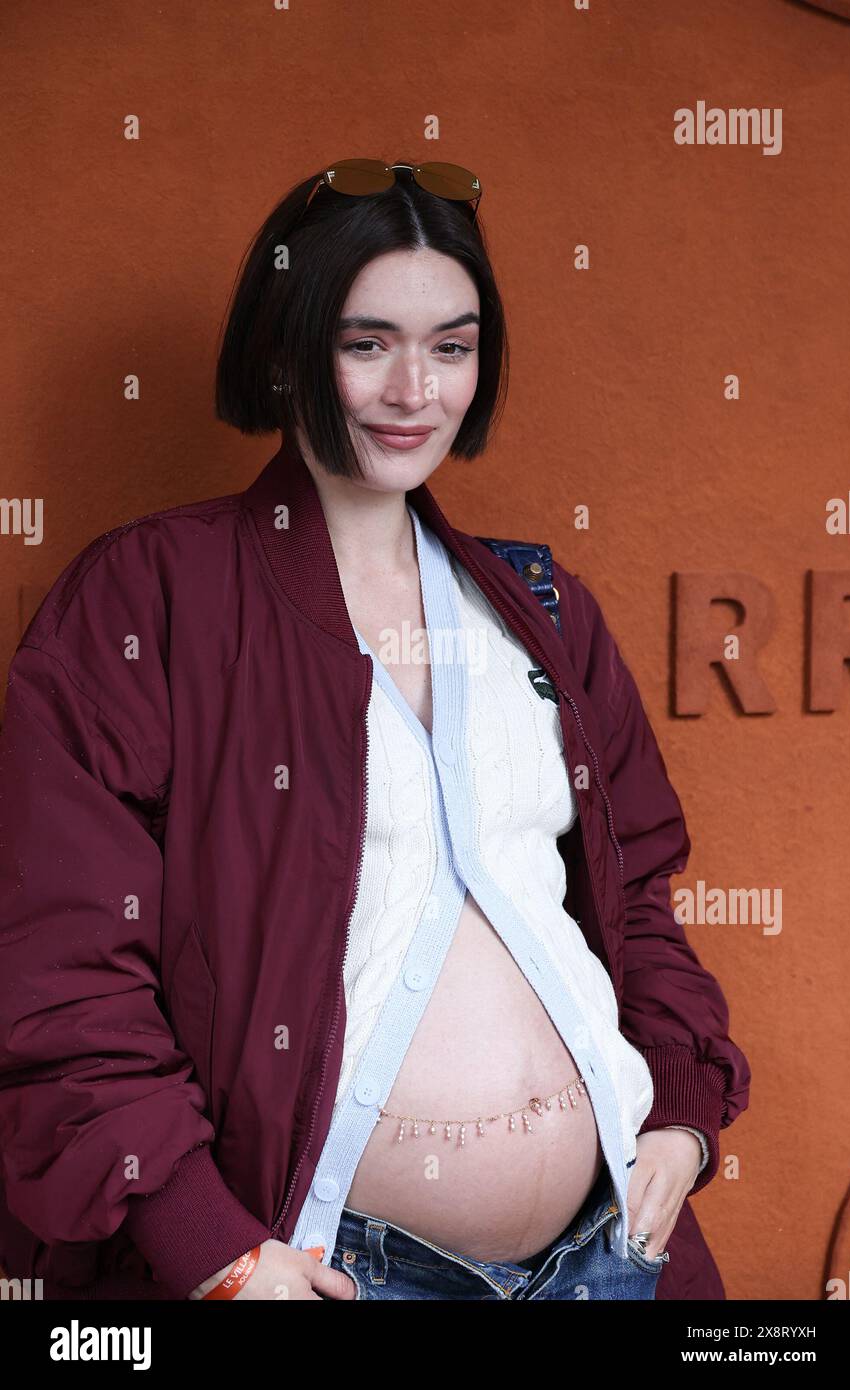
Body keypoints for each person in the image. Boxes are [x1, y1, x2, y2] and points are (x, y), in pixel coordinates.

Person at [0, 160, 750, 1301]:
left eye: (451, 346)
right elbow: (60, 968)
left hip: (614, 1252)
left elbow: (636, 895)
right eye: (367, 343)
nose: (415, 388)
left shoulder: (540, 608)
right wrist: (212, 1249)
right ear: (280, 349)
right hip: (322, 1269)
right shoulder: (147, 599)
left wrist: (685, 1121)